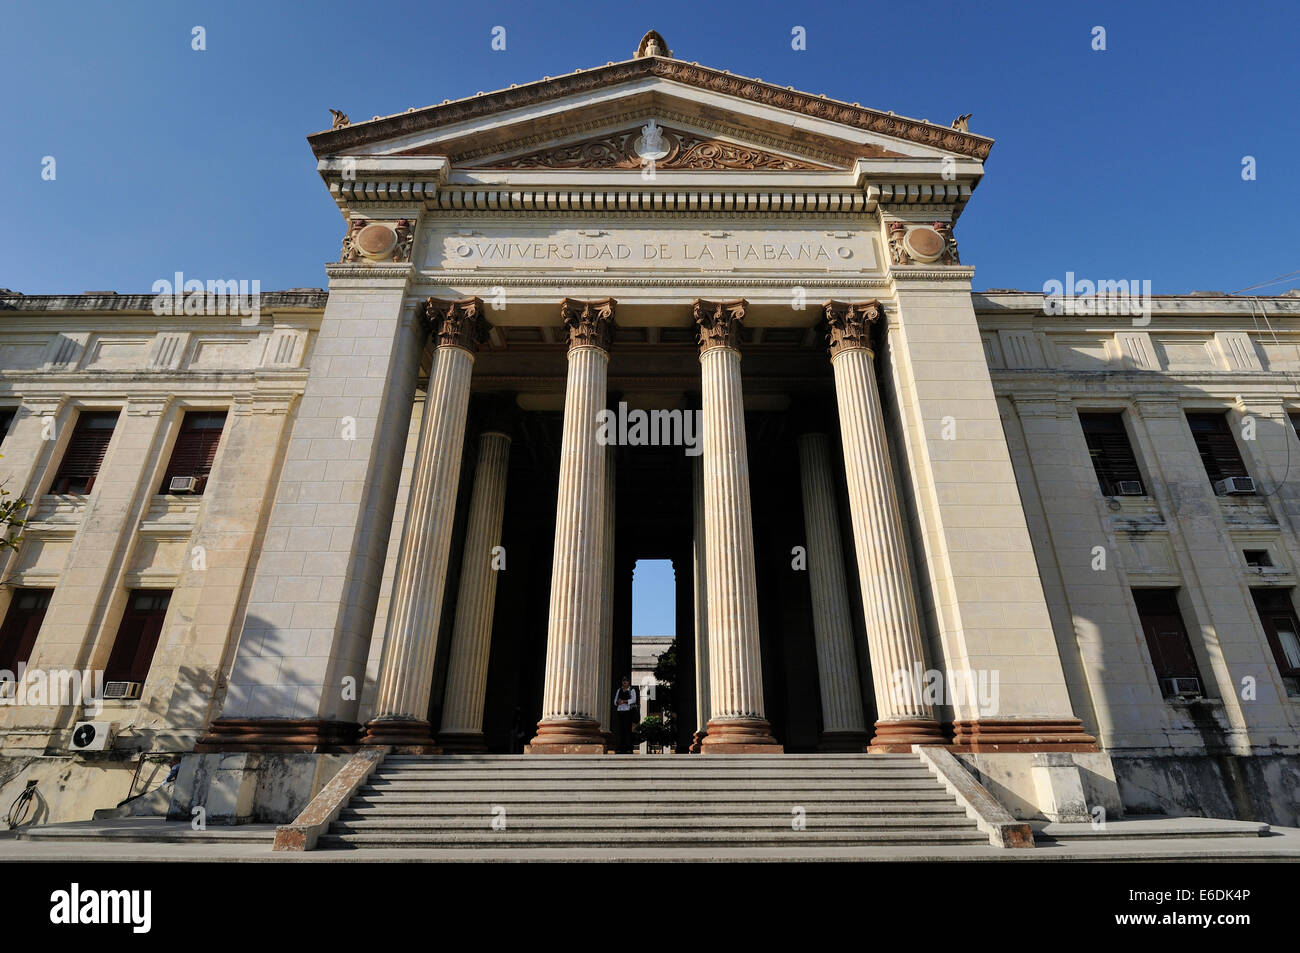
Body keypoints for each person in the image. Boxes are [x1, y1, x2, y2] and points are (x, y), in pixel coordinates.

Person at [613, 676, 638, 753]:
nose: (624, 682)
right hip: (620, 711)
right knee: (620, 730)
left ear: (628, 682)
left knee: (627, 730)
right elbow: (615, 701)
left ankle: (628, 748)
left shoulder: (631, 690)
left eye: (626, 681)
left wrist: (624, 701)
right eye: (623, 681)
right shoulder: (619, 690)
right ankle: (619, 748)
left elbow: (633, 700)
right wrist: (618, 702)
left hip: (628, 712)